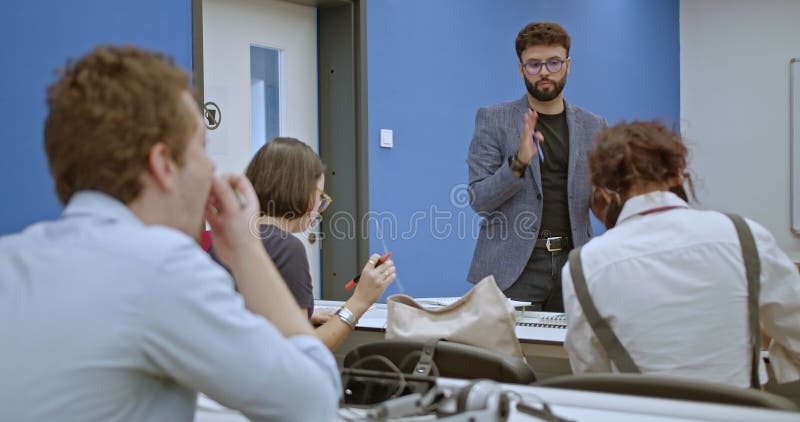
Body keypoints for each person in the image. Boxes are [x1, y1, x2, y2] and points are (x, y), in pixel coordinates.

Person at [0, 46, 340, 421]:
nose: (211, 166)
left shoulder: (11, 257)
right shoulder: (159, 266)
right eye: (201, 148)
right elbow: (313, 402)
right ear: (164, 164)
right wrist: (247, 250)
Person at [562, 120, 800, 387]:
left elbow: (592, 378)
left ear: (604, 192)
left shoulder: (584, 265)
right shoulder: (745, 237)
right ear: (677, 175)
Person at [467, 21, 607, 312]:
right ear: (521, 69)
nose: (544, 71)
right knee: (507, 357)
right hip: (512, 268)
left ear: (568, 65)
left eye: (553, 62)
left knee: (569, 354)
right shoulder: (494, 120)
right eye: (534, 64)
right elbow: (480, 200)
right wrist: (518, 163)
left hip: (575, 264)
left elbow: (600, 201)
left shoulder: (594, 126)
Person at [240, 138, 397, 351]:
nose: (320, 206)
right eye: (320, 196)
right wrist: (360, 300)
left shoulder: (230, 237)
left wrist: (303, 314)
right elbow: (302, 351)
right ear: (301, 192)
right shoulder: (287, 248)